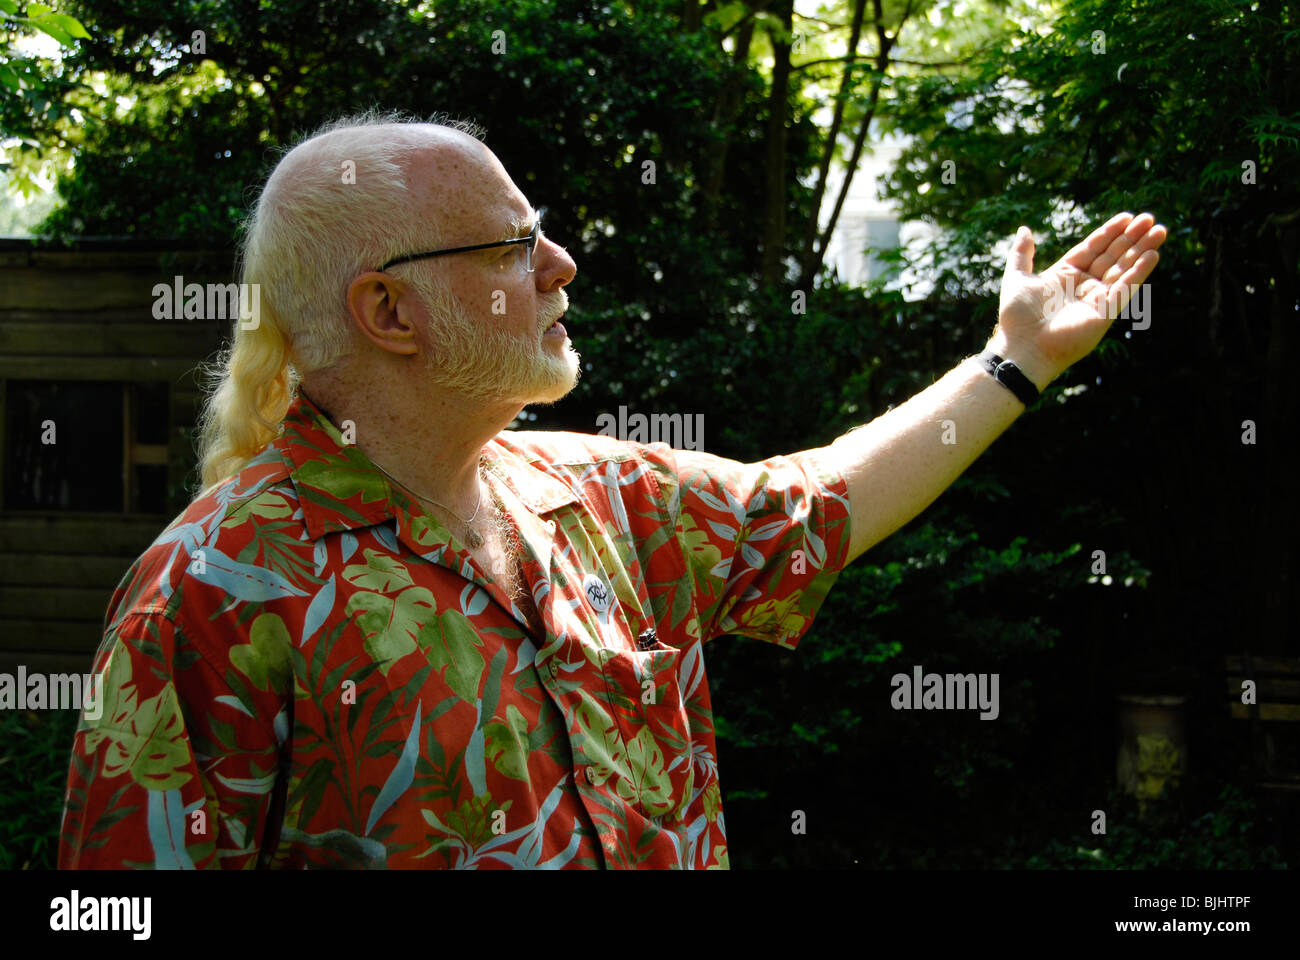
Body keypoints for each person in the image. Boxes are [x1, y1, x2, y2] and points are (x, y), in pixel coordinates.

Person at [59, 112, 1166, 869]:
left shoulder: (604, 496)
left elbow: (812, 507)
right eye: (511, 245)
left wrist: (1011, 362)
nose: (562, 265)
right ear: (388, 313)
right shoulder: (210, 596)